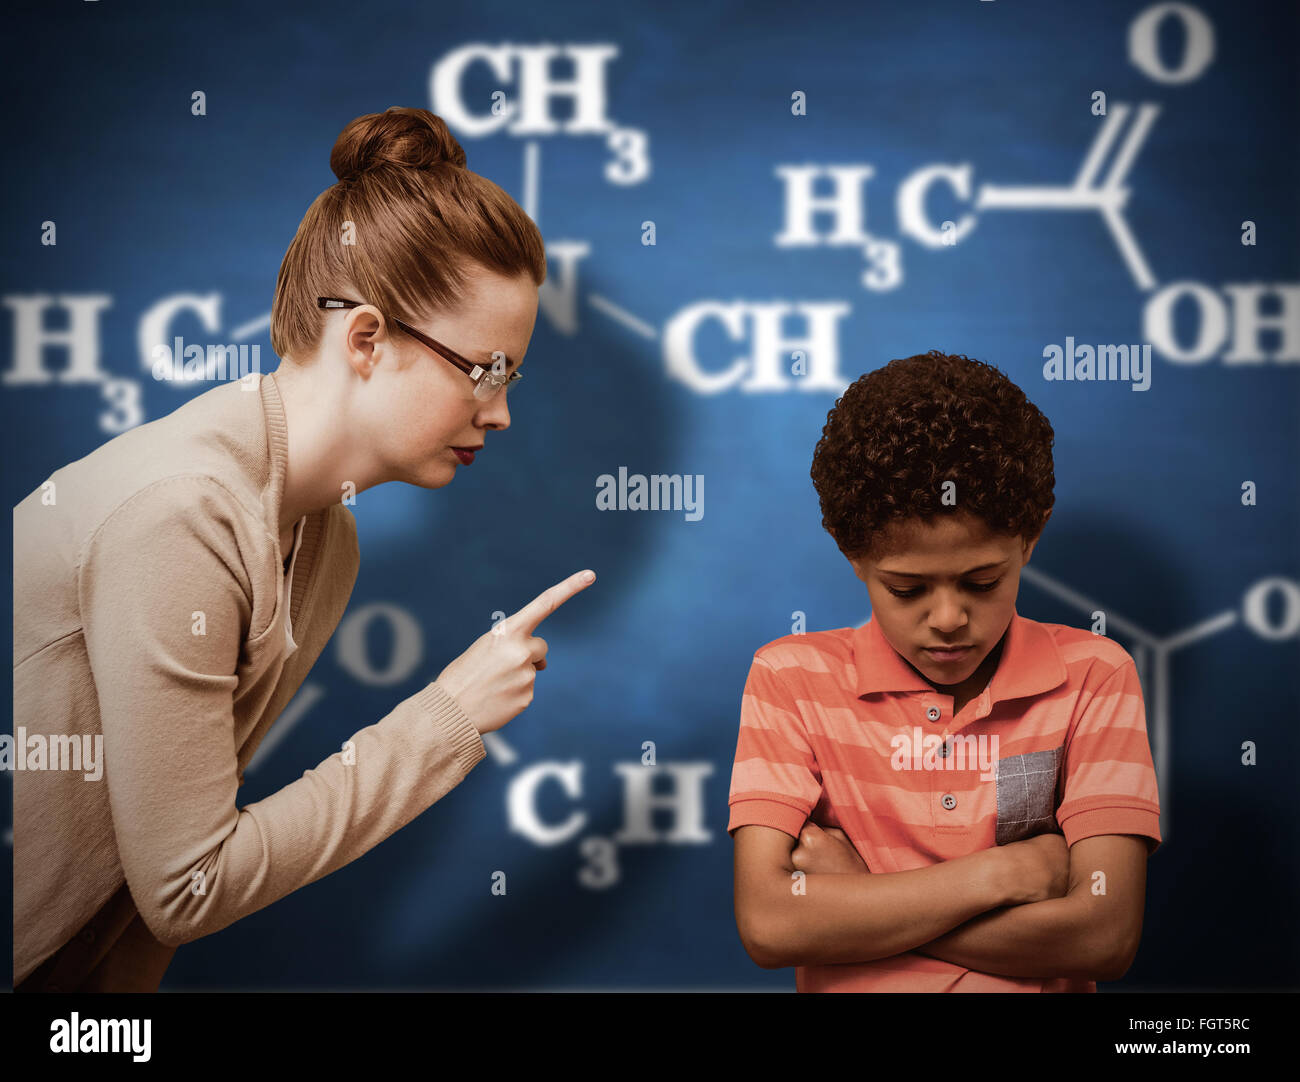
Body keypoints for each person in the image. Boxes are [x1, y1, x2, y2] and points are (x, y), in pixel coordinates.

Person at [12, 107, 594, 992]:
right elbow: (190, 885)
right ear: (365, 339)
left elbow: (135, 902)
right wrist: (450, 717)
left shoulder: (324, 535)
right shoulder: (188, 514)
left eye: (512, 377)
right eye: (485, 370)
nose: (502, 411)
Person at [728, 350, 1161, 991]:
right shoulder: (790, 680)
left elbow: (1102, 937)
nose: (950, 618)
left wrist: (861, 899)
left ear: (1031, 538)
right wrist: (1003, 876)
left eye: (983, 581)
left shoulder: (1094, 676)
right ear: (852, 555)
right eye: (907, 589)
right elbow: (769, 922)